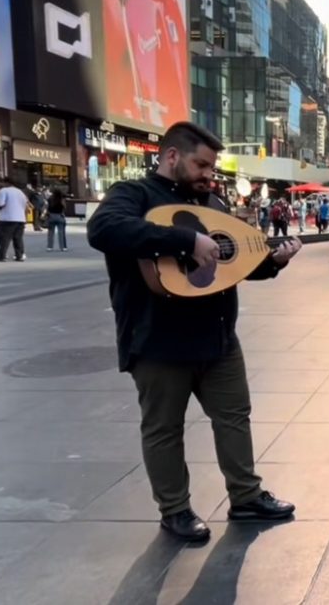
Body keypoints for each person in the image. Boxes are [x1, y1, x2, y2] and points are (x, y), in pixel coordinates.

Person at [86, 122, 299, 542]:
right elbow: (104, 230)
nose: (208, 174)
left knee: (234, 417)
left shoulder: (213, 203)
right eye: (201, 164)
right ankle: (175, 510)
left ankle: (246, 496)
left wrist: (273, 262)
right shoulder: (133, 195)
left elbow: (230, 263)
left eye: (211, 166)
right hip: (157, 340)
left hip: (218, 337)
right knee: (164, 429)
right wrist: (184, 240)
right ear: (171, 156)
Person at [0, 177, 29, 262]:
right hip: (20, 218)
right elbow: (25, 205)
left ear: (5, 183)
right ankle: (19, 255)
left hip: (8, 218)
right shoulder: (20, 192)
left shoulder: (4, 191)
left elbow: (1, 204)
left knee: (5, 238)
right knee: (18, 238)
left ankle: (1, 256)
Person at [46, 187, 69, 252]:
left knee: (50, 232)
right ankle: (63, 247)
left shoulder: (50, 199)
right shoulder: (61, 199)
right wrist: (62, 212)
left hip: (51, 216)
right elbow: (64, 207)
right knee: (61, 232)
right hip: (60, 216)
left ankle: (49, 247)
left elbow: (47, 207)